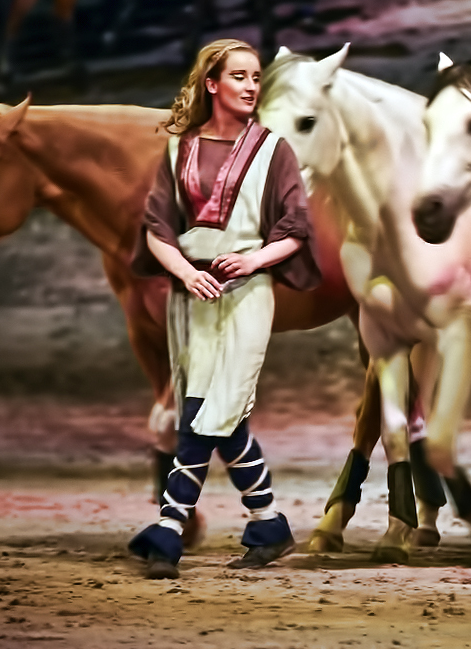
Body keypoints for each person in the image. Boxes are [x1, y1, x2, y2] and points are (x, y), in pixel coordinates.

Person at [127, 37, 320, 579]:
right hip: (191, 297)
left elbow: (295, 230)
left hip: (244, 296)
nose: (251, 86)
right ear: (211, 84)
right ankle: (268, 522)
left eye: (257, 77)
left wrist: (256, 260)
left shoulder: (274, 149)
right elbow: (157, 230)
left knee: (207, 412)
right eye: (239, 76)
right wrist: (187, 272)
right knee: (221, 417)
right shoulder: (177, 148)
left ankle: (167, 529)